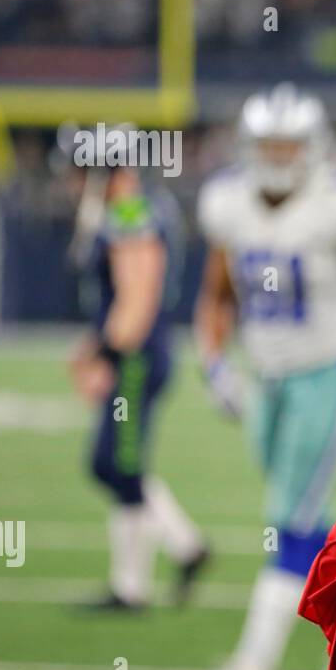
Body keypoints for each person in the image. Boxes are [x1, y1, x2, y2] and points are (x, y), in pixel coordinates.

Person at [194, 84, 336, 670]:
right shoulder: (227, 201)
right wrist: (214, 360)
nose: (279, 154)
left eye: (290, 143)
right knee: (303, 516)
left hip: (328, 374)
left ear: (314, 146)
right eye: (269, 143)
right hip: (268, 377)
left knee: (289, 519)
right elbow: (218, 292)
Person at [62, 123, 209, 610]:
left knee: (113, 463)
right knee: (120, 465)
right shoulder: (135, 206)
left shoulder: (129, 211)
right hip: (136, 354)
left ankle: (175, 551)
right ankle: (147, 572)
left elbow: (137, 298)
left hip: (136, 359)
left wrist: (104, 354)